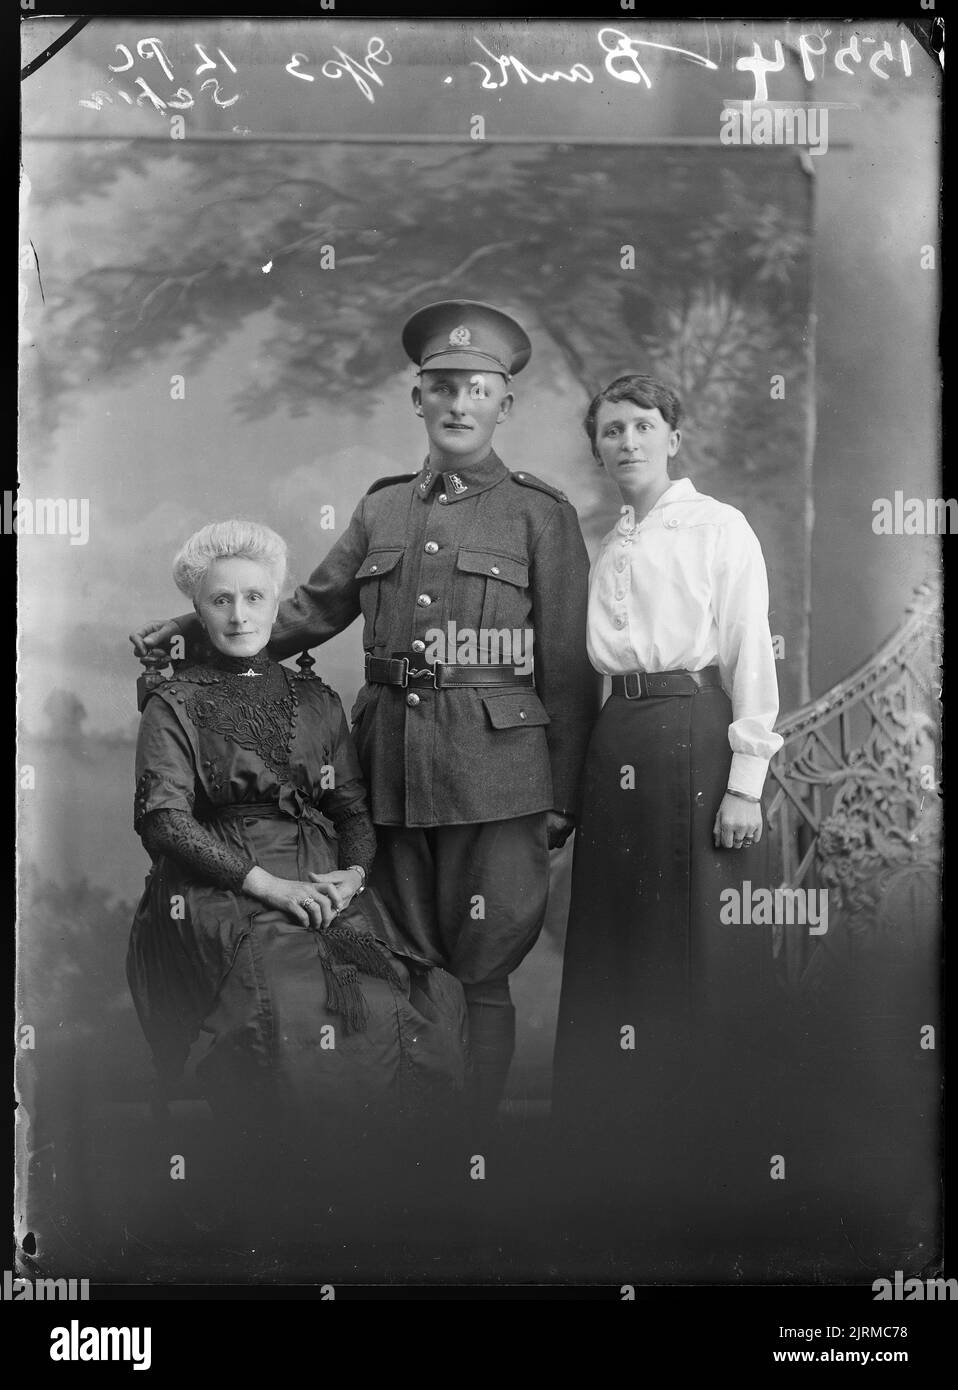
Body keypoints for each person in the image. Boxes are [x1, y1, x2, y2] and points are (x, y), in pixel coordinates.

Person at [131, 302, 598, 1129]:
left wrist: (563, 795)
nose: (458, 404)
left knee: (485, 964)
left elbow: (565, 665)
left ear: (503, 405)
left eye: (477, 390)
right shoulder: (382, 509)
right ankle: (409, 1141)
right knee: (405, 955)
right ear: (418, 398)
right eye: (442, 387)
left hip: (500, 775)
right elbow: (308, 611)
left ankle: (474, 1146)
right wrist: (192, 631)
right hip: (389, 765)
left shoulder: (540, 514)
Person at [128, 520, 467, 1159]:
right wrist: (269, 887)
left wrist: (354, 876)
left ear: (276, 603)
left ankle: (387, 1182)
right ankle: (296, 1182)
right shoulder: (172, 701)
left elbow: (352, 809)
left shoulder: (316, 698)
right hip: (220, 885)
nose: (238, 615)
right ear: (196, 610)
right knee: (290, 998)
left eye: (254, 598)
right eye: (219, 600)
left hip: (321, 879)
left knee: (407, 994)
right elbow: (165, 821)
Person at [552, 374, 784, 1156]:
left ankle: (694, 1136)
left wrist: (744, 782)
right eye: (611, 431)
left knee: (682, 928)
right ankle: (609, 1130)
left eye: (642, 426)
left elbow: (751, 647)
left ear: (673, 438)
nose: (626, 443)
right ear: (597, 447)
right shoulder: (611, 540)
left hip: (694, 729)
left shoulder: (719, 527)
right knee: (615, 921)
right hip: (621, 730)